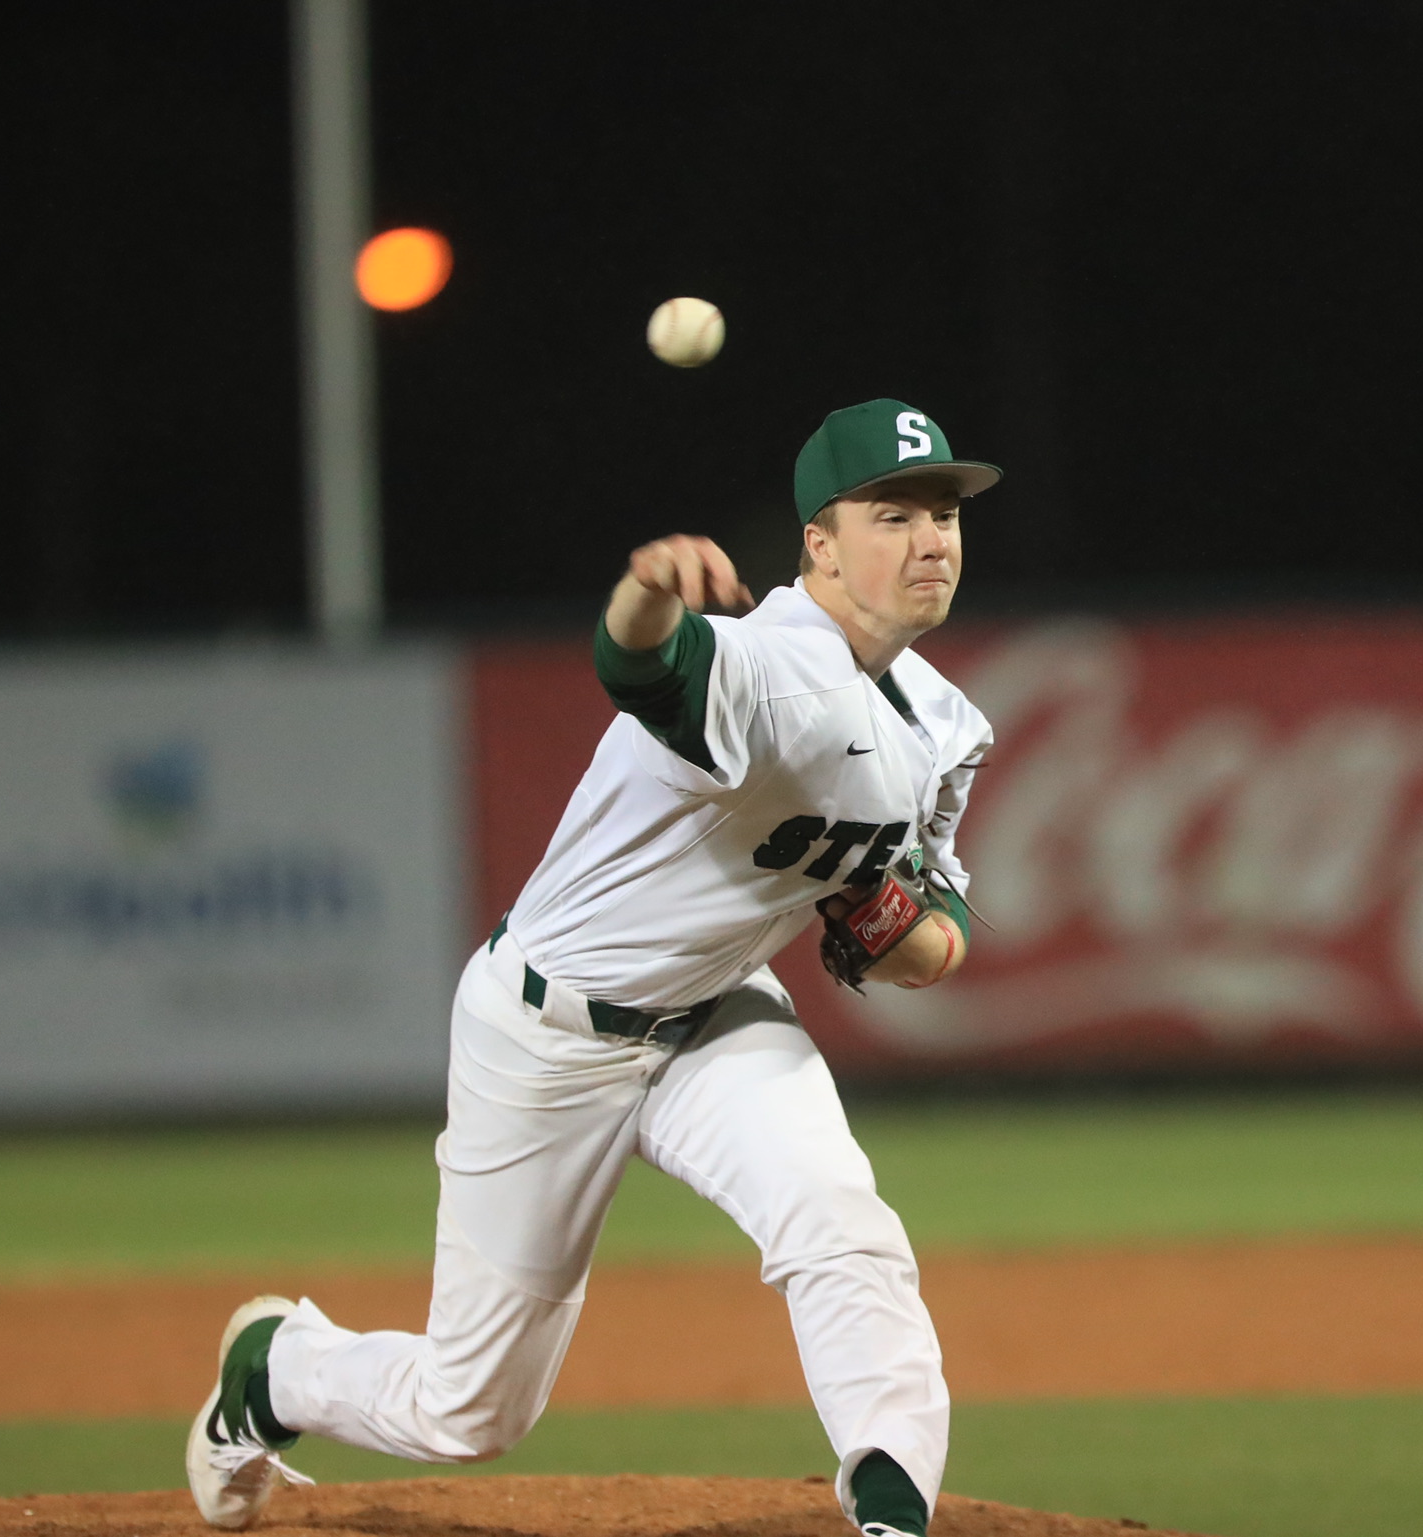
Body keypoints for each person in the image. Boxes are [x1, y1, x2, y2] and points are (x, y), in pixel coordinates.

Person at [186, 399, 1000, 1534]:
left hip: (716, 1019)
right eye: (894, 513)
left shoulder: (946, 724)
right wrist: (648, 588)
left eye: (946, 513)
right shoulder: (767, 666)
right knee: (471, 1410)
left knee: (838, 1220)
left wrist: (897, 919)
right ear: (818, 542)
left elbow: (937, 940)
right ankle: (276, 1373)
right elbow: (642, 664)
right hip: (549, 1032)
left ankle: (890, 1508)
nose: (931, 538)